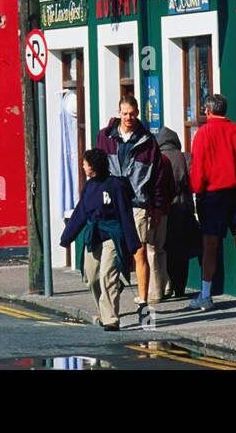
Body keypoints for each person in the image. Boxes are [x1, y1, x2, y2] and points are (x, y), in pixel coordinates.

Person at [96, 95, 173, 326]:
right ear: (119, 112)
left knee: (139, 252)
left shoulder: (148, 142)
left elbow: (158, 178)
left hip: (138, 204)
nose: (128, 118)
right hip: (111, 203)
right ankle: (111, 308)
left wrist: (157, 207)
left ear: (138, 113)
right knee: (113, 256)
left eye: (132, 113)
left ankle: (143, 305)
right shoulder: (104, 137)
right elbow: (96, 167)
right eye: (125, 113)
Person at [188, 94, 236, 312]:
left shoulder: (203, 134)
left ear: (207, 110)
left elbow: (198, 169)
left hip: (215, 194)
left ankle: (205, 295)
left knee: (210, 244)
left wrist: (197, 190)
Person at [60, 148, 142, 331]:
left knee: (106, 275)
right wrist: (67, 238)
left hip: (112, 235)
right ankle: (106, 307)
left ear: (93, 167)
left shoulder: (115, 185)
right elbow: (80, 213)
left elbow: (125, 214)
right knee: (91, 277)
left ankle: (111, 319)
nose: (83, 166)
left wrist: (132, 242)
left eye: (85, 163)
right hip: (94, 236)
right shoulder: (89, 186)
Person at [157, 126, 198, 300]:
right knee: (183, 251)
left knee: (164, 249)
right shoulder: (185, 157)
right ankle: (180, 287)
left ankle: (167, 286)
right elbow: (195, 181)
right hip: (184, 209)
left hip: (165, 210)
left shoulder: (158, 159)